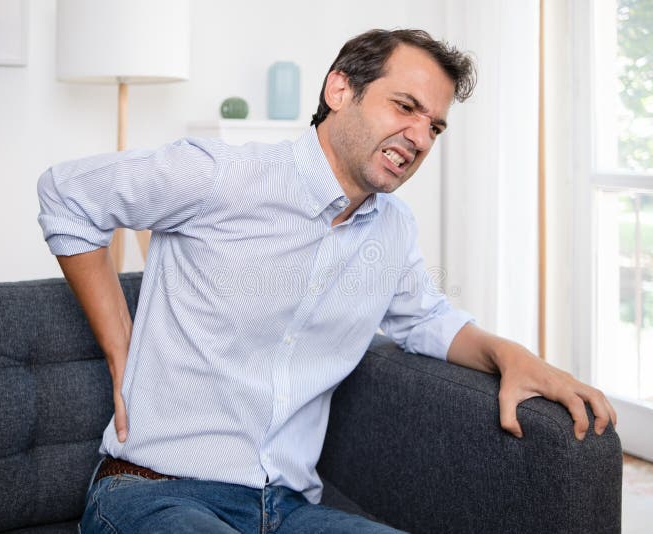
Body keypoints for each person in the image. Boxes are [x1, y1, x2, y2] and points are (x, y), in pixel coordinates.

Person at [38, 28, 617, 534]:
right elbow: (66, 194)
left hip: (288, 508)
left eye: (434, 126)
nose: (418, 137)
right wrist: (121, 349)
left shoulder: (393, 227)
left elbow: (425, 318)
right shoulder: (223, 176)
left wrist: (510, 355)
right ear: (339, 90)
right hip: (156, 491)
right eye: (404, 106)